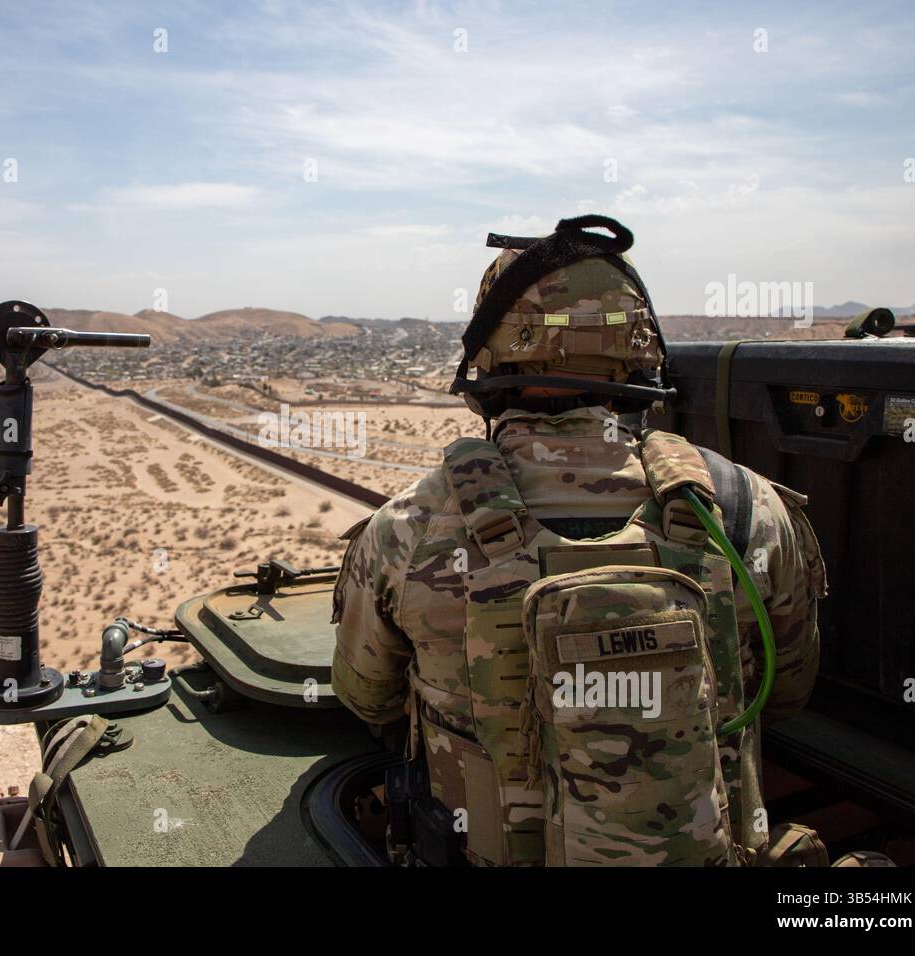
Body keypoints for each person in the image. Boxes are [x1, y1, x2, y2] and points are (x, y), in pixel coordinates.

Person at [331, 216, 827, 866]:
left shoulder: (408, 529)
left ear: (491, 355)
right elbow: (786, 695)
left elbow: (366, 696)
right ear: (640, 351)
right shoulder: (744, 506)